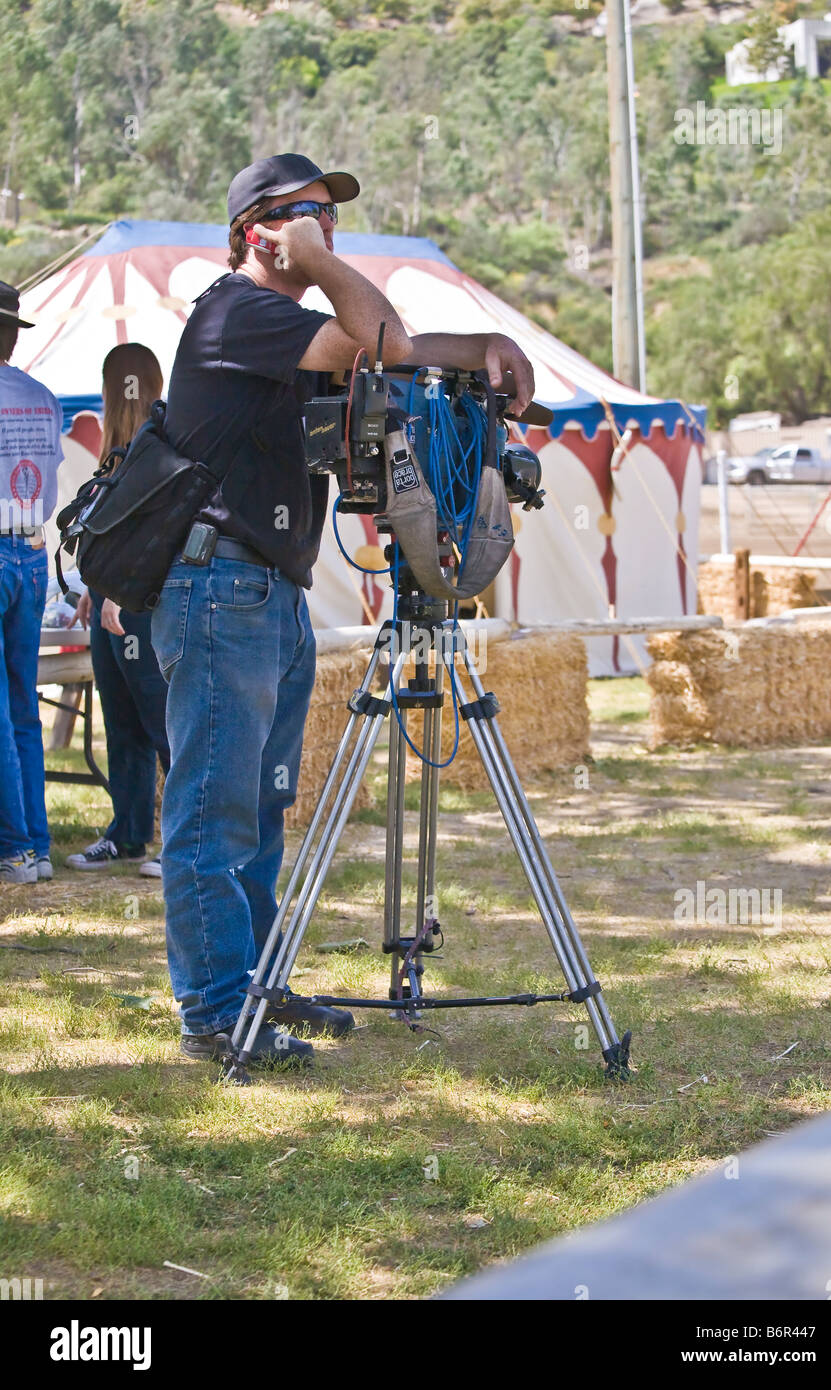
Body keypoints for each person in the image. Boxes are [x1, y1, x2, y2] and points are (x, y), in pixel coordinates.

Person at [154, 152, 535, 1066]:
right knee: (215, 808)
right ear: (262, 230)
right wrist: (317, 261)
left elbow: (390, 353)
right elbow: (380, 341)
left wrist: (482, 348)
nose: (330, 228)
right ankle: (213, 1014)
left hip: (261, 588)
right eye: (311, 215)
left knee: (260, 802)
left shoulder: (284, 328)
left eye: (334, 217)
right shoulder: (235, 310)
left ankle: (253, 985)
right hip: (217, 587)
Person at [68, 344, 169, 877]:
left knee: (162, 723)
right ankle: (127, 834)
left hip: (139, 606)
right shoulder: (115, 453)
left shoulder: (158, 448)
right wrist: (93, 584)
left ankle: (180, 841)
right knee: (123, 722)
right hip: (110, 601)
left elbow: (152, 536)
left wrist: (118, 591)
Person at [0, 281, 64, 884]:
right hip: (31, 553)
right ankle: (35, 848)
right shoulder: (42, 399)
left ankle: (15, 849)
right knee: (22, 704)